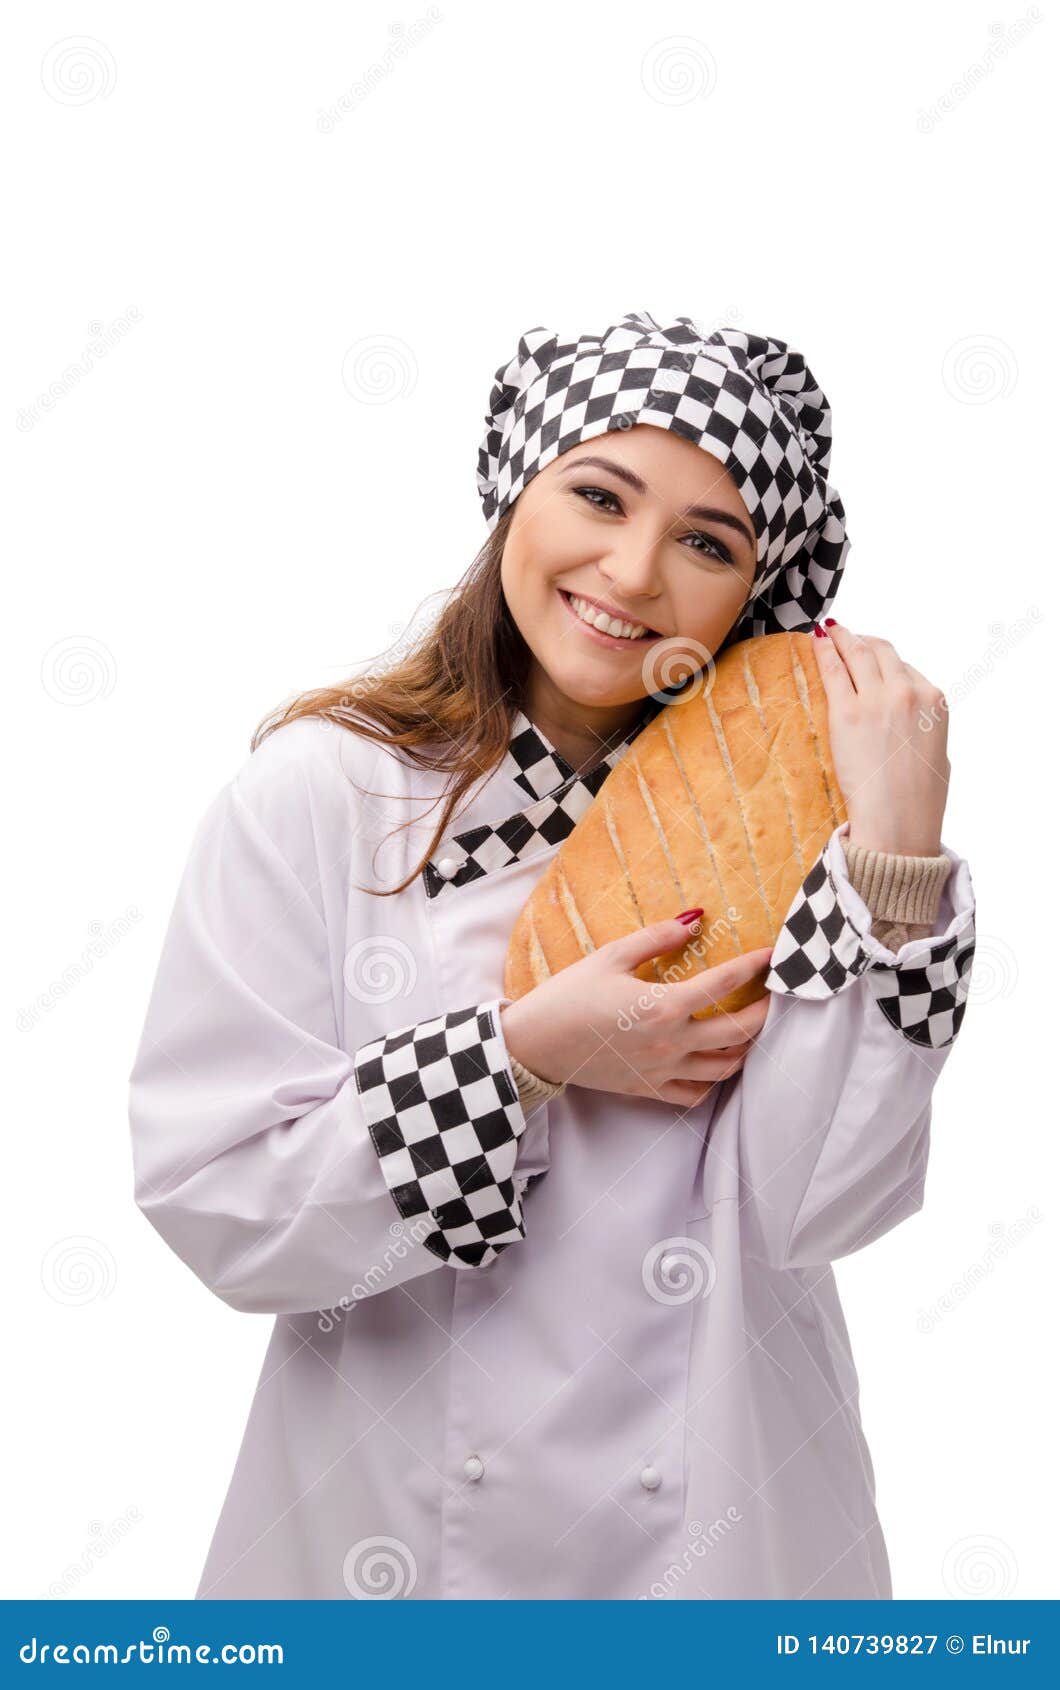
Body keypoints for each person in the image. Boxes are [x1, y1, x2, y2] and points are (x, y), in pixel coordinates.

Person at [127, 312, 976, 1600]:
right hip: (391, 1545)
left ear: (756, 594)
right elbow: (221, 1207)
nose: (633, 574)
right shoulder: (323, 795)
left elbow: (824, 1207)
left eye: (707, 542)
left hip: (723, 1541)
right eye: (599, 495)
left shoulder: (806, 830)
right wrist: (523, 1060)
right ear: (516, 490)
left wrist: (898, 857)